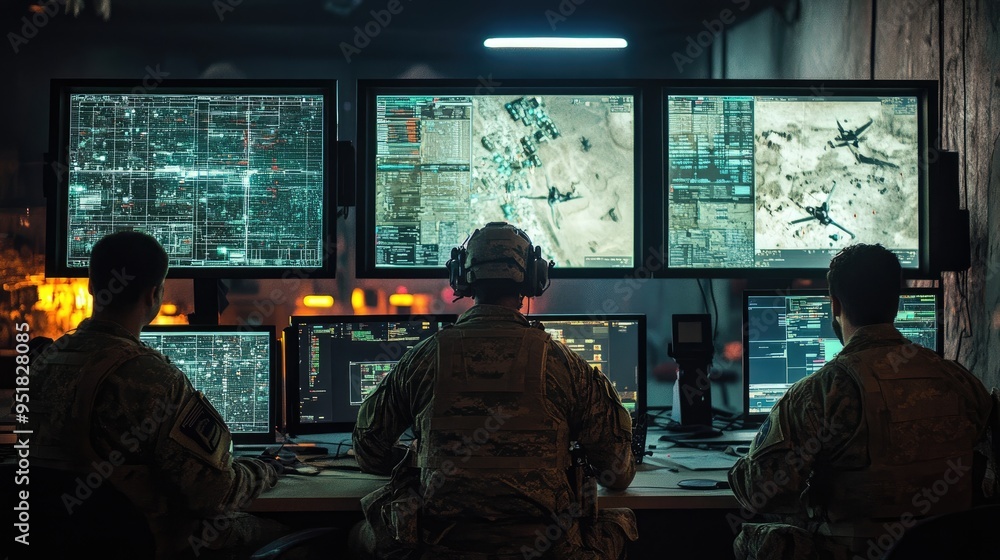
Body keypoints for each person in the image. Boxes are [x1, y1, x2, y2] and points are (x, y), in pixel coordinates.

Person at [349, 221, 638, 560]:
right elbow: (617, 473)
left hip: (441, 550)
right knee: (623, 521)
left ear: (461, 277)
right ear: (533, 279)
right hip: (547, 552)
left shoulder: (423, 358)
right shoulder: (566, 365)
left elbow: (368, 450)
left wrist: (421, 460)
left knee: (357, 535)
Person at [728, 243, 997, 560]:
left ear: (835, 305)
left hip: (854, 553)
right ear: (895, 305)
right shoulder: (959, 380)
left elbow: (759, 492)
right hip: (949, 551)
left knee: (753, 538)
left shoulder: (820, 392)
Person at [27, 231, 285, 560]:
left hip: (53, 544)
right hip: (149, 542)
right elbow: (213, 493)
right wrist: (266, 468)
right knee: (294, 534)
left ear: (91, 286)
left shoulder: (43, 364)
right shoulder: (155, 379)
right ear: (153, 295)